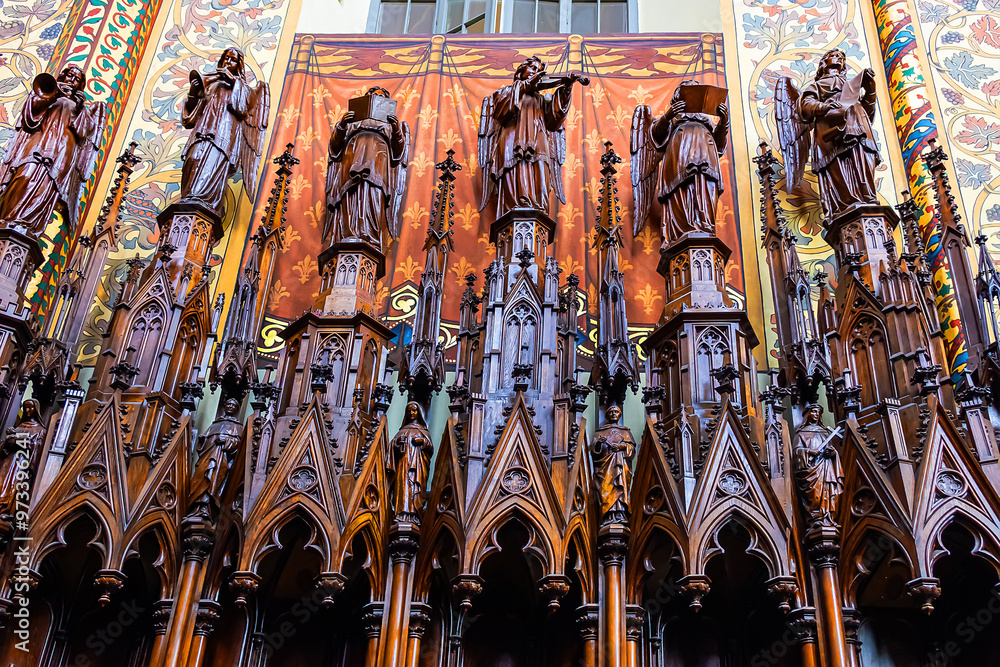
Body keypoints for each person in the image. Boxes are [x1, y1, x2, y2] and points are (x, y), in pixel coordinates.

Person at [0, 66, 106, 237]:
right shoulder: (47, 94)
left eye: (76, 78)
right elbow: (29, 117)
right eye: (69, 75)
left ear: (80, 84)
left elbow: (84, 131)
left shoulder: (82, 109)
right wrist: (53, 95)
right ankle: (9, 219)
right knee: (25, 177)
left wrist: (79, 107)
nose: (71, 79)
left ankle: (27, 227)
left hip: (61, 155)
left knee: (45, 188)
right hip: (36, 148)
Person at [478, 56, 588, 216]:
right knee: (514, 176)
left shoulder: (543, 101)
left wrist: (566, 87)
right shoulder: (505, 92)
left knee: (540, 180)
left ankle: (538, 214)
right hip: (511, 142)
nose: (536, 73)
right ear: (520, 71)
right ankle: (514, 212)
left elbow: (554, 120)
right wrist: (526, 86)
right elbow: (500, 112)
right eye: (532, 68)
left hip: (538, 142)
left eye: (539, 70)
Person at [777, 48, 880, 219]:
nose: (839, 58)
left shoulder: (851, 85)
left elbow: (868, 113)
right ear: (824, 62)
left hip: (859, 127)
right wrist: (825, 106)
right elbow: (806, 106)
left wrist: (870, 90)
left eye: (841, 57)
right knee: (840, 167)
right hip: (831, 133)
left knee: (862, 160)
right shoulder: (817, 85)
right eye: (834, 56)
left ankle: (866, 196)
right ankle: (847, 204)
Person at [631, 80, 729, 243]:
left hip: (707, 162)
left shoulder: (706, 121)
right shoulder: (673, 118)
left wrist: (724, 121)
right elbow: (655, 137)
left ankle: (704, 227)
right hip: (679, 161)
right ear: (678, 96)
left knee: (705, 193)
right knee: (682, 194)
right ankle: (680, 235)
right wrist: (668, 116)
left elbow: (719, 145)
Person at [178, 47, 269, 219]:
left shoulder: (244, 89)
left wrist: (234, 83)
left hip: (222, 138)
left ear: (239, 65)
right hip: (201, 133)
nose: (228, 62)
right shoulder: (211, 83)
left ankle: (202, 209)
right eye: (226, 58)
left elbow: (242, 109)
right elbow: (190, 117)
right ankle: (188, 202)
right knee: (193, 160)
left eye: (233, 60)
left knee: (211, 168)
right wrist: (193, 92)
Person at [324, 87, 409, 251]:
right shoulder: (351, 122)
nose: (377, 99)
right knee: (351, 196)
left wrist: (396, 127)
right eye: (373, 96)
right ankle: (348, 235)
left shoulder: (391, 125)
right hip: (352, 159)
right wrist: (342, 124)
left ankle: (369, 237)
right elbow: (335, 150)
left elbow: (398, 153)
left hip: (377, 163)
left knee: (373, 196)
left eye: (381, 97)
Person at [187, 397, 243, 524]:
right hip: (207, 458)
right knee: (202, 478)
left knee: (213, 481)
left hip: (221, 460)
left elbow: (239, 445)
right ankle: (197, 509)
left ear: (236, 409)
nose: (229, 406)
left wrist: (226, 442)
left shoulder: (238, 427)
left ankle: (207, 510)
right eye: (228, 403)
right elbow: (202, 447)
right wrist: (203, 440)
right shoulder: (215, 424)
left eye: (233, 405)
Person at [792, 403, 843, 526]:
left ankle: (828, 518)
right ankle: (815, 519)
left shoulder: (825, 432)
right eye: (814, 412)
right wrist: (810, 452)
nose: (816, 415)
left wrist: (832, 453)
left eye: (818, 412)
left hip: (826, 467)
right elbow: (796, 452)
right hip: (811, 471)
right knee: (814, 496)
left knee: (829, 491)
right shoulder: (801, 433)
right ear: (808, 414)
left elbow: (831, 448)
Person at [388, 401, 433, 524]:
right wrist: (397, 444)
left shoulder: (423, 431)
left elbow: (430, 448)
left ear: (419, 412)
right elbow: (392, 449)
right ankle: (401, 514)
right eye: (409, 411)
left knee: (415, 489)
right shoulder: (402, 431)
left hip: (418, 467)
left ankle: (413, 515)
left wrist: (422, 442)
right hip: (403, 466)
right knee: (403, 488)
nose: (412, 413)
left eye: (414, 410)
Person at [0, 399, 45, 521]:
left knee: (15, 485)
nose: (27, 410)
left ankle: (7, 511)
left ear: (36, 409)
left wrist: (16, 440)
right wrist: (8, 442)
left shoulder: (40, 430)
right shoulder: (18, 427)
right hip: (8, 461)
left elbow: (36, 446)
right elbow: (5, 445)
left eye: (30, 407)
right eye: (25, 407)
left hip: (21, 462)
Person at [591, 405, 636, 524]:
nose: (614, 414)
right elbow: (594, 452)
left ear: (620, 414)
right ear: (607, 415)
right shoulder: (600, 432)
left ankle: (620, 515)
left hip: (621, 464)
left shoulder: (625, 431)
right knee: (606, 488)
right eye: (611, 412)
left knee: (620, 487)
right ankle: (608, 516)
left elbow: (632, 450)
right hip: (605, 466)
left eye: (616, 411)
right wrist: (599, 444)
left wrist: (623, 446)